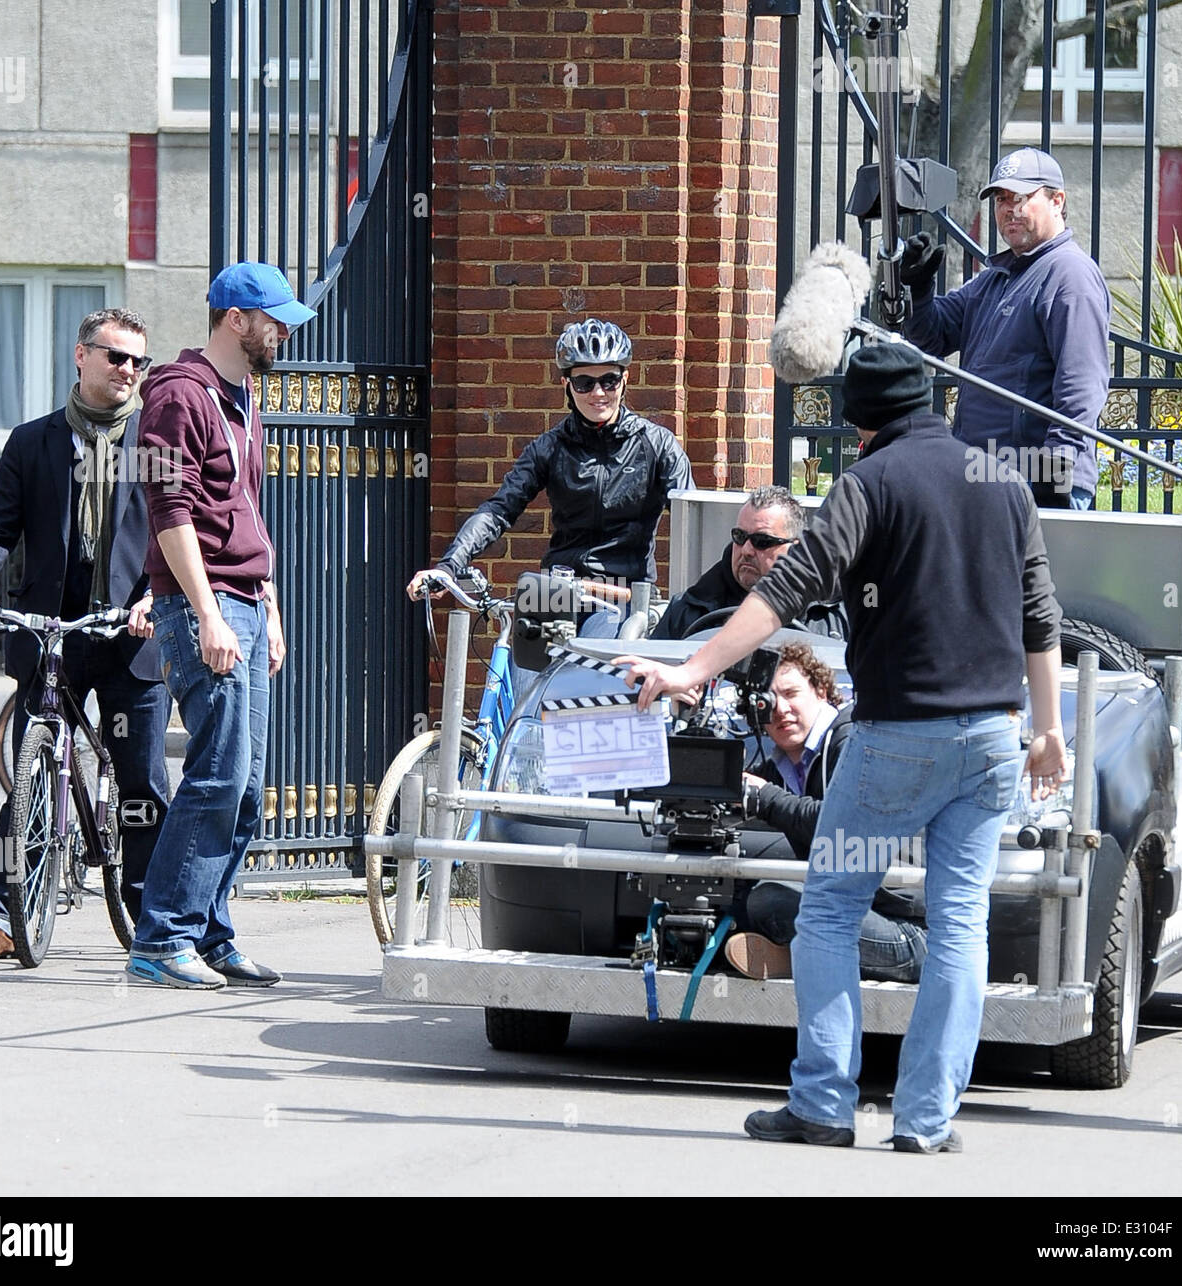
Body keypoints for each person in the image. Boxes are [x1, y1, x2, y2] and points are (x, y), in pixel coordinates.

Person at [619, 340, 1066, 1155]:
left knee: (827, 911)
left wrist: (692, 665)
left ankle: (824, 1102)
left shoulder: (872, 483)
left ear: (862, 424)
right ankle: (927, 1123)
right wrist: (1050, 729)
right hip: (998, 739)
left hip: (900, 738)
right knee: (961, 924)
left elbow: (788, 588)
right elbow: (1042, 613)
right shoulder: (1000, 478)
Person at [0, 308, 171, 963]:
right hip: (53, 638)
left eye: (137, 361)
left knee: (142, 786)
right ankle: (2, 916)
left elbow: (177, 538)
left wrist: (158, 596)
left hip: (133, 637)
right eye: (115, 357)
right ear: (81, 356)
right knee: (28, 786)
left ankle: (150, 916)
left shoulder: (159, 449)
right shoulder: (32, 442)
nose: (128, 370)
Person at [126, 262, 315, 990]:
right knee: (215, 776)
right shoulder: (175, 395)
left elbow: (247, 515)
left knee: (246, 787)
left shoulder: (241, 398)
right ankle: (162, 937)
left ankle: (208, 930)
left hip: (244, 602)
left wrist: (269, 610)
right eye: (275, 318)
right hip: (200, 604)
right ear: (236, 318)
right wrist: (209, 614)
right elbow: (167, 509)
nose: (286, 330)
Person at [407, 318, 693, 632]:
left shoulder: (655, 445)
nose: (598, 393)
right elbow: (499, 509)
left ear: (625, 380)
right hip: (558, 591)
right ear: (566, 385)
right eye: (585, 382)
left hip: (623, 594)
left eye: (608, 381)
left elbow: (690, 519)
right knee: (522, 670)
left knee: (594, 666)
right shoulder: (550, 447)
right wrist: (450, 565)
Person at [901, 146, 1110, 510]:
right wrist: (919, 292)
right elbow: (931, 337)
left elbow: (1082, 385)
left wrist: (1055, 474)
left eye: (1021, 198)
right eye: (1001, 199)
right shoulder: (996, 277)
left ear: (1057, 200)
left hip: (1034, 485)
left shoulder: (1069, 274)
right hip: (981, 477)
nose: (1009, 209)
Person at [726, 643, 927, 984]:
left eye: (791, 694)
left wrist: (767, 799)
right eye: (769, 700)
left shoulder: (855, 738)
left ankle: (800, 958)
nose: (781, 710)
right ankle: (801, 955)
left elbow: (844, 825)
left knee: (771, 898)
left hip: (909, 933)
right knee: (737, 894)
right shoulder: (781, 762)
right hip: (855, 911)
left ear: (821, 691)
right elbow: (740, 794)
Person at [652, 485, 846, 641]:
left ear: (794, 549)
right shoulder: (689, 610)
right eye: (740, 536)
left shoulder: (833, 615)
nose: (746, 550)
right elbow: (646, 681)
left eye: (762, 541)